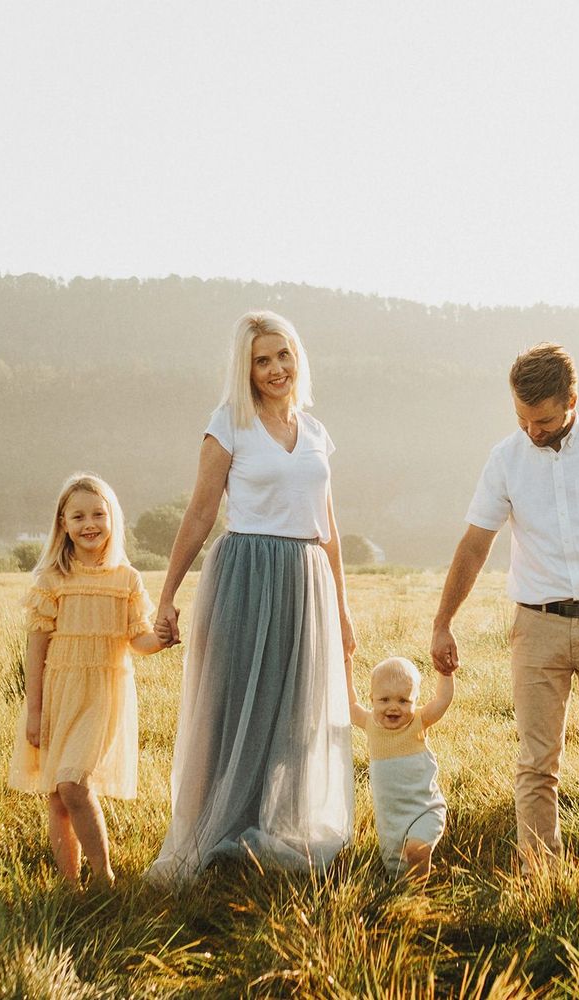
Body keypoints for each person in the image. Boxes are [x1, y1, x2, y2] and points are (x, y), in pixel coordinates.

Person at [431, 342, 579, 865]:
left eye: (543, 420)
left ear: (572, 400)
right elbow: (475, 544)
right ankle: (540, 876)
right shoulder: (505, 459)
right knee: (537, 761)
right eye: (522, 419)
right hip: (536, 627)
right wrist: (443, 622)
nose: (533, 431)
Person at [147, 311, 355, 883]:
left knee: (296, 716)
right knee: (233, 707)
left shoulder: (315, 434)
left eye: (282, 355)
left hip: (306, 580)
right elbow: (199, 514)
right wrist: (166, 595)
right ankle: (212, 836)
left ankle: (273, 834)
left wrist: (341, 608)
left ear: (297, 358)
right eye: (261, 360)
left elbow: (328, 527)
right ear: (246, 369)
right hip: (245, 575)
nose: (275, 369)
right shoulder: (229, 425)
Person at [8, 473, 169, 888]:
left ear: (113, 519)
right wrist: (34, 710)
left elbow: (138, 639)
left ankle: (103, 878)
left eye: (98, 513)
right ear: (62, 523)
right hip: (59, 693)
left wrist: (162, 639)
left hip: (103, 693)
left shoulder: (126, 579)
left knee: (73, 783)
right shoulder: (52, 580)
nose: (89, 523)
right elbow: (36, 650)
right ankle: (70, 885)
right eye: (77, 516)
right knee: (58, 796)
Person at [350, 656, 453, 880]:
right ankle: (409, 894)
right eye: (384, 700)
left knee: (416, 851)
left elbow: (442, 700)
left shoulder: (418, 722)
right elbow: (350, 705)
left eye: (404, 701)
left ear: (415, 701)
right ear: (372, 699)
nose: (393, 707)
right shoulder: (370, 724)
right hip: (391, 820)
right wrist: (347, 662)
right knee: (398, 873)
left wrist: (445, 672)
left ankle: (419, 899)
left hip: (424, 809)